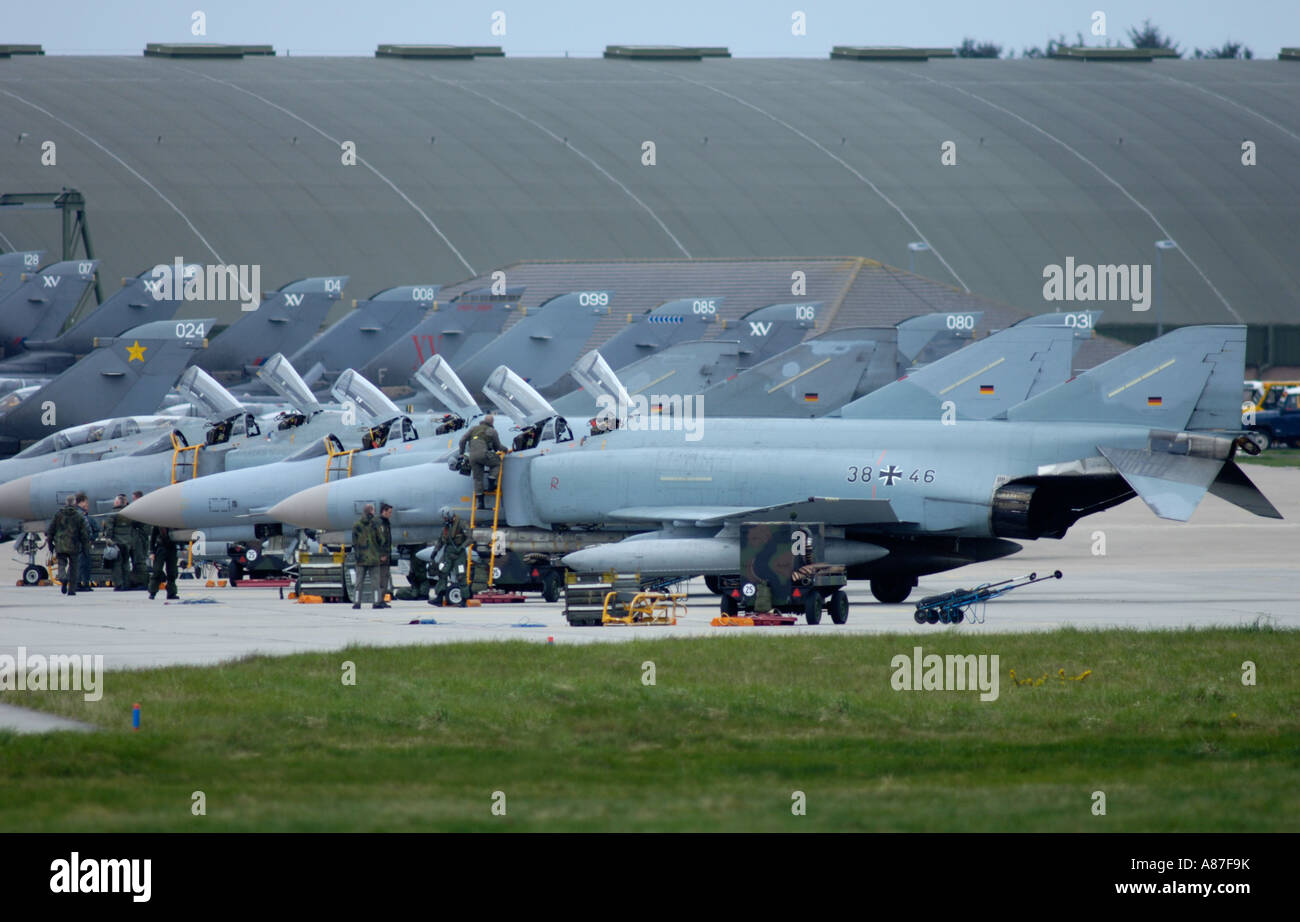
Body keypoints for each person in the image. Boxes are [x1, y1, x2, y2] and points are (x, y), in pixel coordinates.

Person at [458, 414, 505, 510]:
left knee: (477, 478)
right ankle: (491, 481)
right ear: (492, 422)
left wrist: (461, 454)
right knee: (497, 462)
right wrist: (506, 450)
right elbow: (498, 447)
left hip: (472, 457)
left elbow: (462, 440)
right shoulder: (492, 431)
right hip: (483, 455)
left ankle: (480, 503)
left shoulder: (473, 429)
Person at [47, 494, 90, 596]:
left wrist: (50, 544)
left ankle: (63, 578)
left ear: (66, 503)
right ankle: (71, 590)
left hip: (60, 544)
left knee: (61, 564)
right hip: (74, 545)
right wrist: (85, 547)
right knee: (74, 567)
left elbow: (51, 529)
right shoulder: (79, 516)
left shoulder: (59, 514)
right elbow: (84, 533)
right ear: (75, 503)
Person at [430, 507, 471, 604]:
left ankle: (464, 600)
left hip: (459, 554)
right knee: (442, 573)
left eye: (445, 518)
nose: (444, 520)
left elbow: (470, 538)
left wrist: (461, 547)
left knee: (461, 576)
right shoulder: (446, 527)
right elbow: (441, 540)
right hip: (448, 554)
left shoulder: (462, 524)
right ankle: (439, 598)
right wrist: (435, 552)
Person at [350, 503, 386, 610]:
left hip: (361, 559)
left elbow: (354, 542)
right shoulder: (376, 524)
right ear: (371, 511)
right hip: (374, 559)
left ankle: (357, 603)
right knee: (375, 584)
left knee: (358, 583)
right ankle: (376, 602)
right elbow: (381, 540)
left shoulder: (357, 525)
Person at [104, 494, 134, 591]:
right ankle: (126, 583)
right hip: (128, 542)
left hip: (117, 543)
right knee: (126, 563)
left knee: (117, 564)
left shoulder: (113, 514)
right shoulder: (129, 514)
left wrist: (108, 539)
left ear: (117, 502)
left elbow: (109, 529)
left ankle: (119, 584)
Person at [147, 524, 179, 600]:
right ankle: (152, 592)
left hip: (172, 549)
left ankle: (171, 593)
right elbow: (153, 538)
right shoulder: (158, 524)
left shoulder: (174, 523)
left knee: (172, 572)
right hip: (160, 549)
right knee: (157, 571)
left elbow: (179, 536)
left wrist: (182, 547)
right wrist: (152, 552)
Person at [128, 491, 151, 590]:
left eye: (134, 499)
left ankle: (143, 583)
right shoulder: (144, 508)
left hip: (141, 539)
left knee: (140, 562)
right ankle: (138, 582)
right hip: (139, 539)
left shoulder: (142, 509)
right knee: (138, 562)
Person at [76, 493, 97, 591]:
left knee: (84, 563)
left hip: (81, 543)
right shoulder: (79, 514)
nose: (87, 505)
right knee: (81, 564)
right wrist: (91, 538)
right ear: (82, 502)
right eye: (86, 502)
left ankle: (82, 583)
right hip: (81, 543)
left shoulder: (83, 515)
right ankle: (79, 583)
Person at [376, 503, 394, 607]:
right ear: (384, 511)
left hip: (386, 556)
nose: (390, 514)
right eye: (389, 512)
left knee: (385, 578)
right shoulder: (380, 523)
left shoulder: (386, 522)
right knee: (381, 579)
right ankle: (378, 601)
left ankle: (381, 600)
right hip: (382, 557)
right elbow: (380, 540)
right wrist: (382, 554)